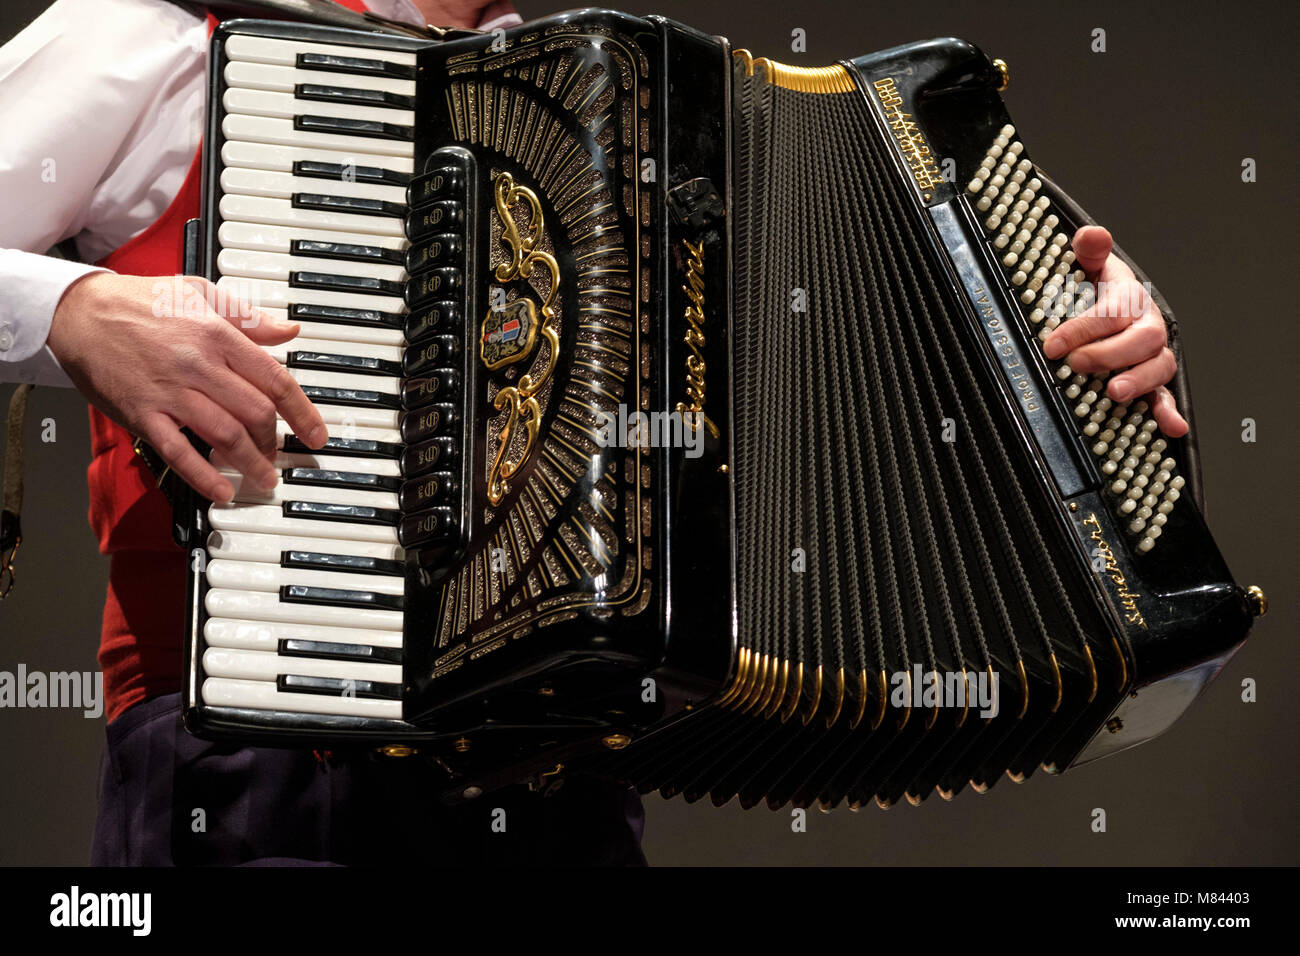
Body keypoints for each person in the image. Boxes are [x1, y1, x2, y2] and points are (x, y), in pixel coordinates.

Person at [0, 0, 1187, 865]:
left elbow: (913, 359)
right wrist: (73, 308)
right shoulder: (162, 41)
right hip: (262, 778)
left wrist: (1098, 346)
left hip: (565, 804)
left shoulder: (633, 104)